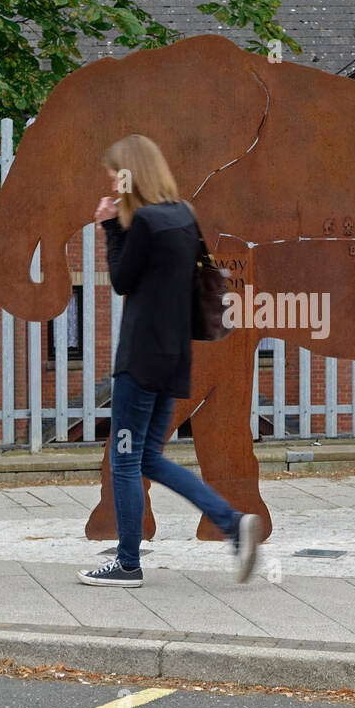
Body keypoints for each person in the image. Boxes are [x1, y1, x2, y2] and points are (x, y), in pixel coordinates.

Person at [77, 133, 259, 588]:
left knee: (123, 460)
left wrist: (110, 226)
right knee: (148, 459)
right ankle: (233, 523)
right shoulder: (183, 216)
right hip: (176, 358)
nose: (111, 180)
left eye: (115, 173)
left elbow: (121, 280)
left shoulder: (144, 223)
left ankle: (127, 563)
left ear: (128, 174)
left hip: (140, 360)